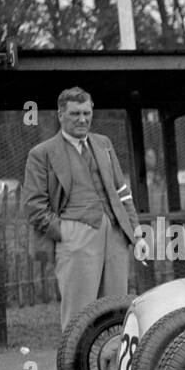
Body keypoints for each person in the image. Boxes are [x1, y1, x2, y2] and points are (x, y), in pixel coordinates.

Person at [22, 86, 139, 330]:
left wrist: (135, 230)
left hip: (115, 235)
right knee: (80, 316)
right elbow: (34, 206)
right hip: (76, 238)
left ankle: (112, 366)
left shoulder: (103, 144)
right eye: (75, 114)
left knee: (117, 310)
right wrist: (66, 233)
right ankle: (75, 368)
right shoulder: (42, 153)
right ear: (60, 115)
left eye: (86, 113)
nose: (82, 119)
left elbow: (122, 191)